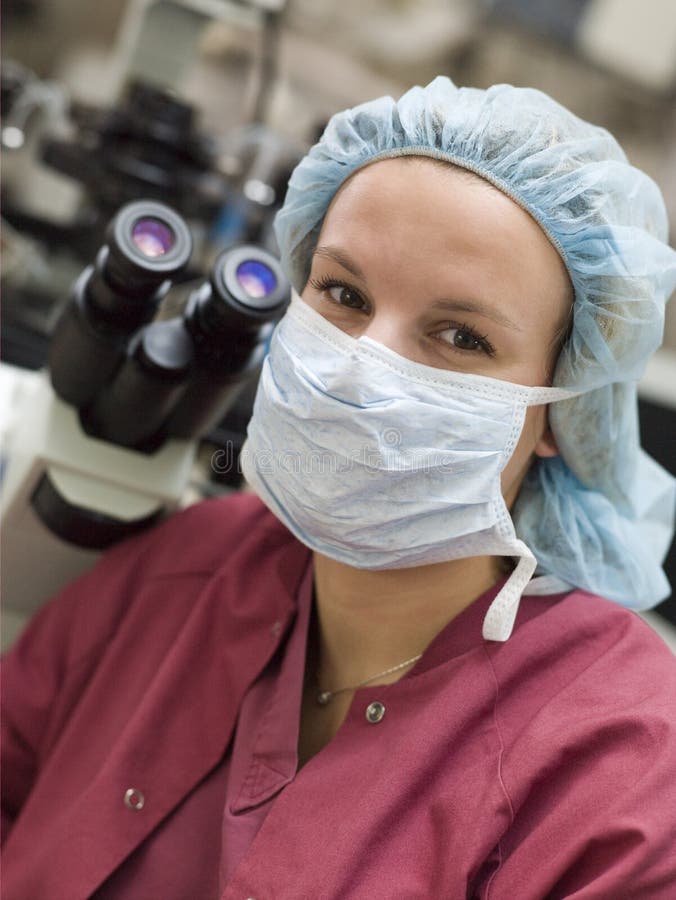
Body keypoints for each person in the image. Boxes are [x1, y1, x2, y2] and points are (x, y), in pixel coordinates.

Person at [2, 77, 676, 899]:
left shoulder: (621, 759)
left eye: (461, 336)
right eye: (344, 294)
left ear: (559, 414)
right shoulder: (180, 574)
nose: (363, 366)